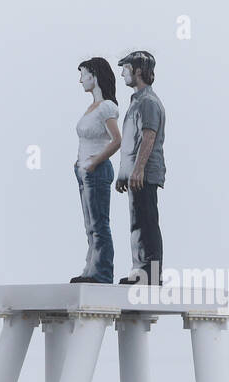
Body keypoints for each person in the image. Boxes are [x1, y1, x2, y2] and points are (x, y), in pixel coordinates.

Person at [114, 50, 166, 285]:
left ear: (137, 71)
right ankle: (141, 271)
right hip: (135, 173)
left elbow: (148, 136)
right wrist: (125, 172)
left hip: (144, 174)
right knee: (138, 223)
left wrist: (138, 169)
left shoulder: (148, 102)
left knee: (146, 223)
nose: (123, 74)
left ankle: (150, 275)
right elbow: (131, 141)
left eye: (126, 69)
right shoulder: (137, 101)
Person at [70, 58, 122, 284]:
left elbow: (117, 140)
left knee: (99, 224)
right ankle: (90, 269)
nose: (80, 80)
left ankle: (102, 272)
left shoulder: (107, 107)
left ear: (94, 75)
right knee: (89, 225)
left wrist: (95, 161)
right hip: (83, 171)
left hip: (97, 170)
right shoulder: (91, 107)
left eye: (83, 74)